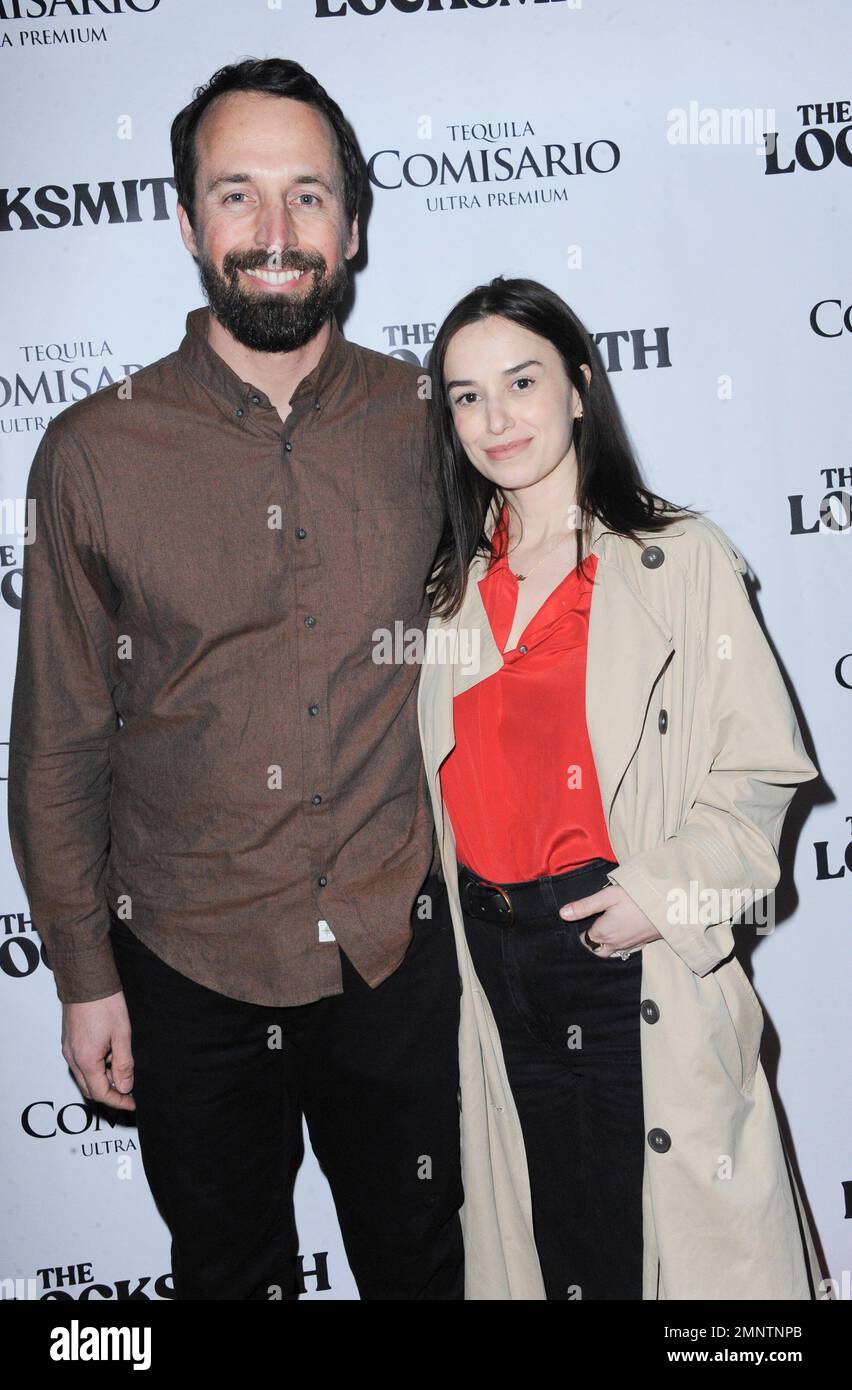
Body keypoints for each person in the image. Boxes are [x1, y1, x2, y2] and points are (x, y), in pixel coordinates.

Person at [7, 58, 464, 1301]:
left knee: (428, 1268)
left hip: (395, 947)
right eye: (238, 196)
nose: (275, 235)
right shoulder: (95, 450)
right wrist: (85, 975)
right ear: (185, 219)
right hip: (187, 962)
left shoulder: (437, 421)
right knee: (227, 1276)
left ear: (354, 223)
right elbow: (55, 738)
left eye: (308, 197)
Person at [416, 275, 828, 1300]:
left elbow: (761, 770)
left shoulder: (678, 561)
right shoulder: (448, 589)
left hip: (621, 947)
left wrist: (663, 896)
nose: (495, 417)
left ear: (581, 387)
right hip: (491, 966)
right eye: (466, 395)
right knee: (558, 1253)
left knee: (672, 1265)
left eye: (521, 381)